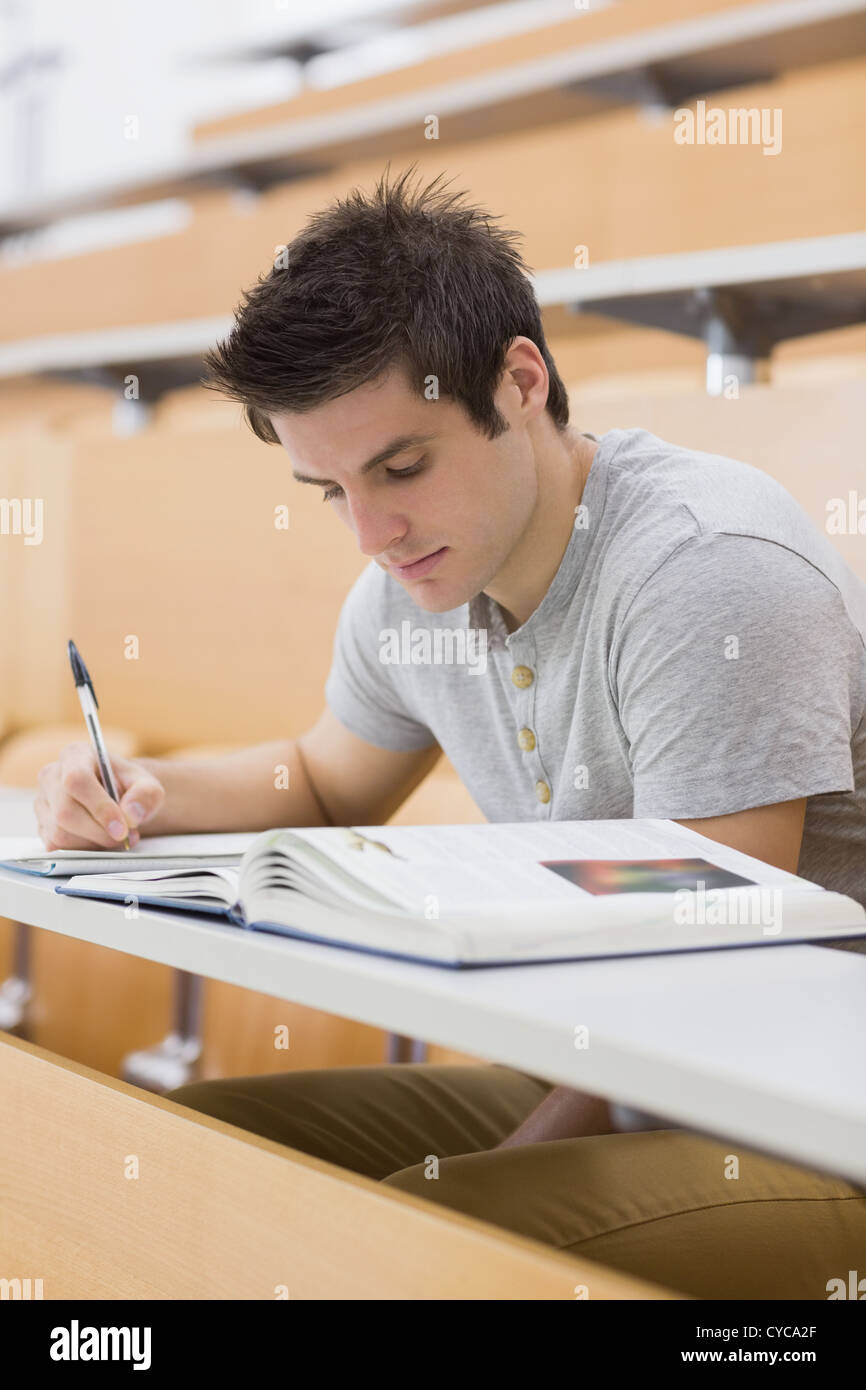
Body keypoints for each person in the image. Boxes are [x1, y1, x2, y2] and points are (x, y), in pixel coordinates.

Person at [35, 166, 866, 1298]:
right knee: (205, 1148)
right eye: (329, 490)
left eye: (401, 466)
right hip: (624, 1074)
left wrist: (484, 1179)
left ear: (519, 380)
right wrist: (138, 790)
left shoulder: (702, 572)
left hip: (810, 1112)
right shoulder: (413, 586)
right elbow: (323, 781)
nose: (371, 531)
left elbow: (708, 978)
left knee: (418, 1241)